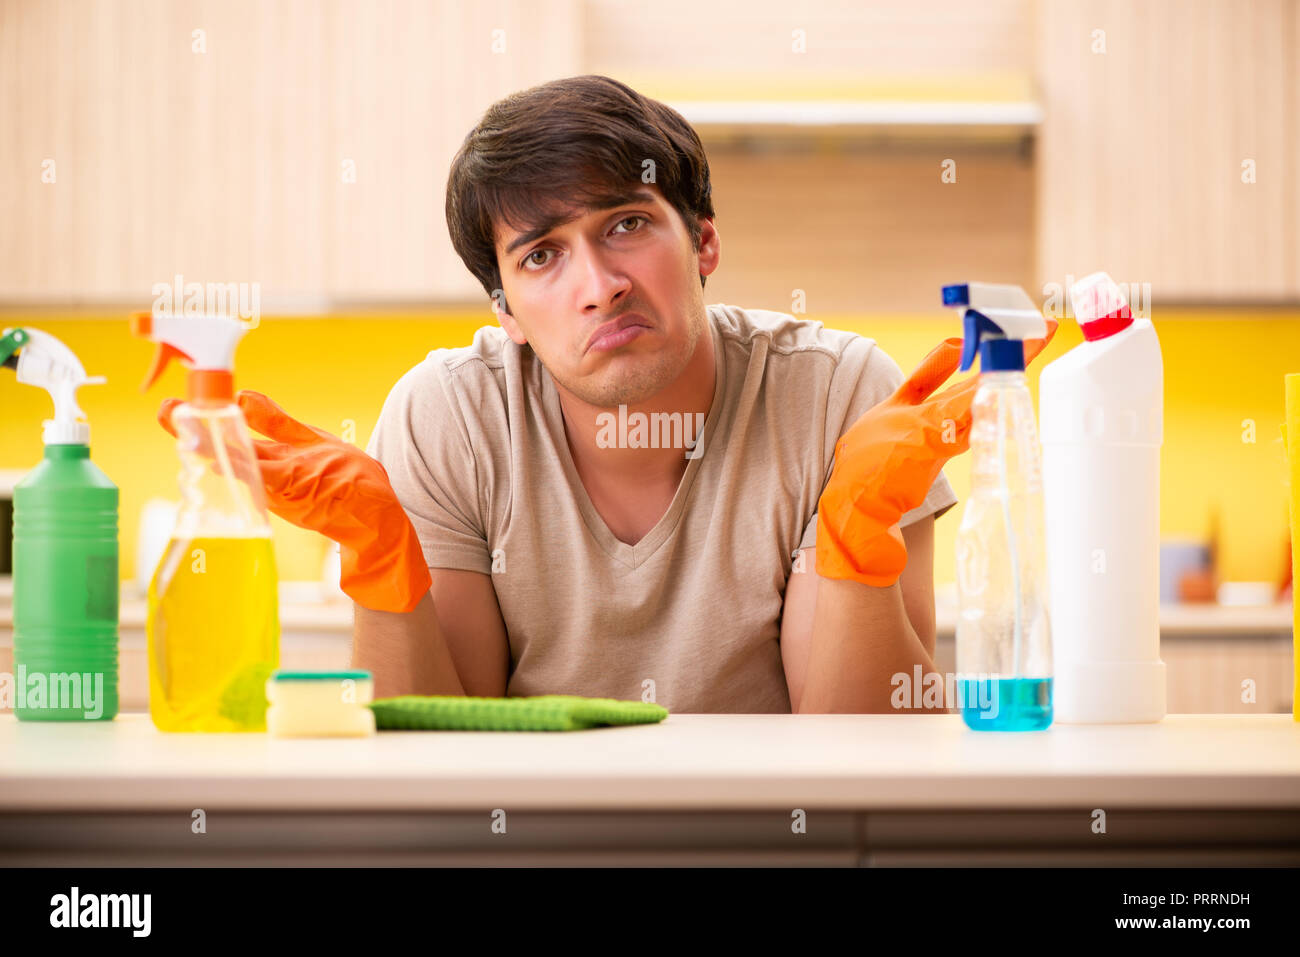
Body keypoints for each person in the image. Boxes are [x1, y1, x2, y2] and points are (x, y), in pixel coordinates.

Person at [161, 75, 1054, 712]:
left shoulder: (838, 393)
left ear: (703, 241)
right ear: (505, 308)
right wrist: (380, 562)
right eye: (541, 254)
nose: (599, 285)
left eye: (626, 224)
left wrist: (856, 545)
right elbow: (442, 745)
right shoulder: (448, 417)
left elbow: (863, 747)